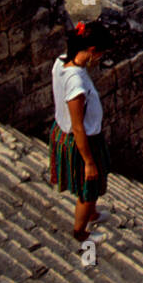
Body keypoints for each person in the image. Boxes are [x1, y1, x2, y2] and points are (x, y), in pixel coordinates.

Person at [49, 19, 112, 240]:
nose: (100, 59)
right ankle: (80, 232)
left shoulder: (61, 62)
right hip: (81, 142)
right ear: (92, 51)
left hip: (69, 133)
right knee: (88, 187)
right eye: (101, 54)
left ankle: (92, 213)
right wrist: (88, 162)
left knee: (93, 185)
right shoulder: (76, 83)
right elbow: (77, 126)